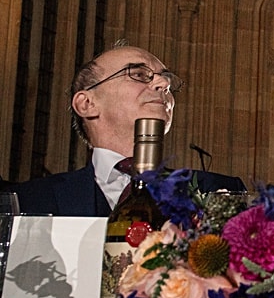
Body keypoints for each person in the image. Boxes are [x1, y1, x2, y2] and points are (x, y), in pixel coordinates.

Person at [15, 43, 245, 216]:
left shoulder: (219, 191)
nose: (163, 84)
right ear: (86, 104)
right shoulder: (30, 201)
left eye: (166, 80)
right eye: (138, 75)